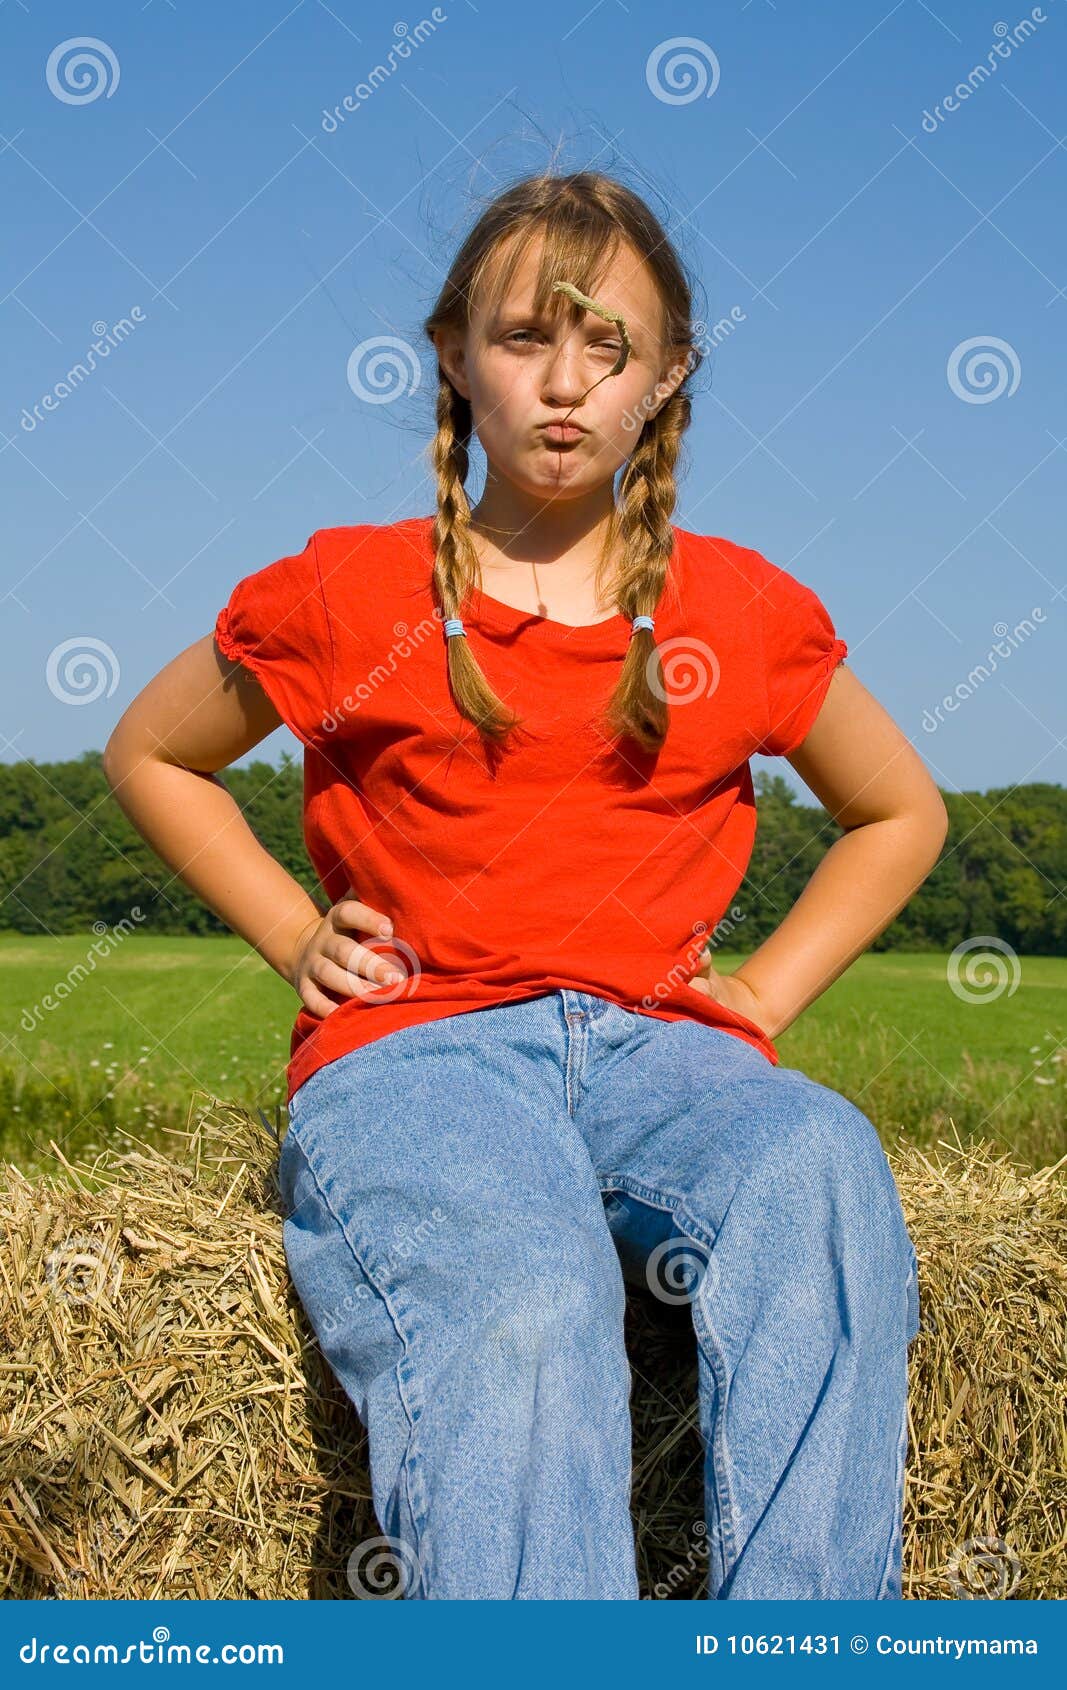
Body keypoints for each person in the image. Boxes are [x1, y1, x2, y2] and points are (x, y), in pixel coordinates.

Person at [103, 169, 946, 1600]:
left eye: (608, 347)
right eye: (521, 340)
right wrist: (292, 930)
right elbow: (153, 749)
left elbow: (898, 808)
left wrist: (759, 993)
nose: (565, 384)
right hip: (419, 1052)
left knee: (822, 1168)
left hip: (665, 1052)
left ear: (668, 376)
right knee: (532, 1286)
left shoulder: (736, 607)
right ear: (451, 356)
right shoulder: (349, 591)